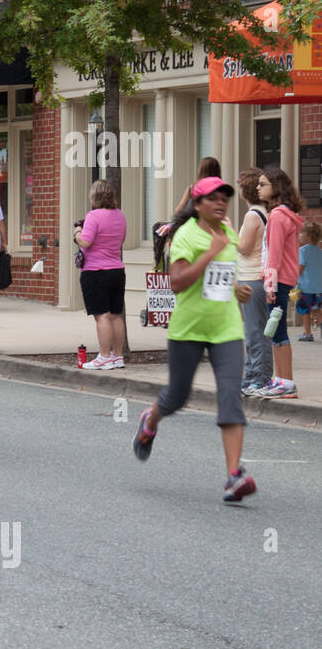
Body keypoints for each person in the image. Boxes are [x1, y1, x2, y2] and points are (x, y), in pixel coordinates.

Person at [132, 177, 257, 503]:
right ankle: (149, 420)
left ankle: (233, 476)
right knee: (176, 397)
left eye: (224, 198)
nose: (220, 203)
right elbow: (177, 283)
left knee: (231, 396)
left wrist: (237, 290)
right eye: (213, 198)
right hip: (188, 329)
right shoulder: (185, 236)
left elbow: (223, 278)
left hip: (227, 329)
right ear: (198, 204)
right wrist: (209, 255)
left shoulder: (229, 234)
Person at [256, 166, 304, 399]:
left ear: (276, 188)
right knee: (276, 330)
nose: (258, 187)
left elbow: (274, 254)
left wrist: (270, 285)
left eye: (263, 184)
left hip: (278, 281)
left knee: (278, 332)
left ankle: (286, 382)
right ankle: (280, 379)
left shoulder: (276, 216)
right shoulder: (288, 215)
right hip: (286, 279)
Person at [74, 179, 127, 369]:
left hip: (96, 272)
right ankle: (118, 356)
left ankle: (104, 357)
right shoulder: (120, 216)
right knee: (115, 315)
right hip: (117, 270)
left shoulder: (93, 216)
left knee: (101, 316)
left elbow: (86, 242)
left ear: (94, 196)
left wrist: (77, 233)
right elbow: (121, 239)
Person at [235, 168, 272, 395]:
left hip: (251, 277)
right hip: (254, 277)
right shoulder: (263, 213)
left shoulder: (252, 216)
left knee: (254, 332)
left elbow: (245, 248)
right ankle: (251, 375)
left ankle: (260, 377)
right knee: (255, 330)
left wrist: (228, 234)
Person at [297, 220, 322, 342]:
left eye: (300, 233)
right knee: (316, 309)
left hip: (306, 288)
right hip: (318, 288)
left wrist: (293, 280)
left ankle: (307, 334)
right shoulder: (319, 251)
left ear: (307, 235)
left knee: (305, 311)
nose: (299, 235)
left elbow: (300, 269)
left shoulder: (303, 251)